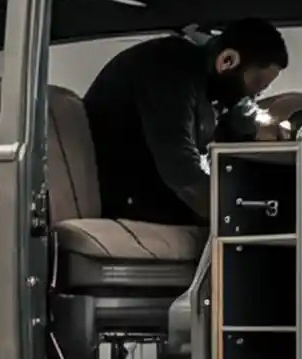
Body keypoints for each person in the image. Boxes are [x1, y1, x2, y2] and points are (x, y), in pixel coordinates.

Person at [82, 18, 288, 226]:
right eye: (256, 83)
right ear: (227, 60)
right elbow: (182, 171)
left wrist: (263, 131)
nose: (254, 94)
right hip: (120, 194)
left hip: (150, 189)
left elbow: (243, 117)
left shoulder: (214, 83)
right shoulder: (168, 69)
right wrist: (240, 216)